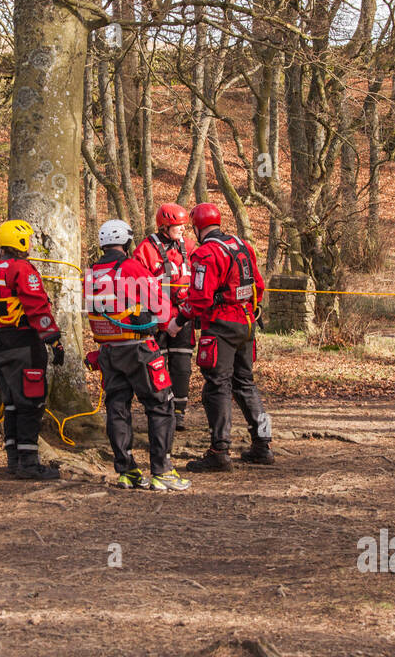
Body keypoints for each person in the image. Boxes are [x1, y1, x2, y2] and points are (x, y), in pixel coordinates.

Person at [166, 202, 273, 471]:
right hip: (247, 323)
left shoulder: (207, 253)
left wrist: (178, 321)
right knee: (246, 384)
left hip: (221, 325)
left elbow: (200, 298)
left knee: (217, 386)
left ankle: (219, 450)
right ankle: (263, 443)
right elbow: (258, 285)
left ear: (197, 227)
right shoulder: (242, 245)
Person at [85, 219, 190, 491]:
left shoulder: (92, 271)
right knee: (161, 405)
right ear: (127, 241)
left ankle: (127, 471)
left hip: (108, 352)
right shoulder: (131, 267)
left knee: (117, 409)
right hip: (139, 349)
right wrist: (166, 321)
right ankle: (162, 471)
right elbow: (160, 306)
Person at [0, 219, 65, 480]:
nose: (30, 243)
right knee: (31, 402)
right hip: (24, 343)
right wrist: (53, 339)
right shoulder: (22, 269)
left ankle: (14, 459)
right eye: (27, 239)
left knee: (11, 405)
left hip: (0, 344)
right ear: (19, 242)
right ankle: (29, 464)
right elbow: (37, 307)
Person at [134, 202, 194, 430]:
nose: (182, 230)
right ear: (164, 226)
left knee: (182, 366)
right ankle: (160, 410)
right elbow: (139, 285)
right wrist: (163, 320)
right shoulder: (145, 250)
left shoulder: (188, 246)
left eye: (183, 226)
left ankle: (179, 413)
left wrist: (181, 319)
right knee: (157, 365)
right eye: (178, 226)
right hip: (157, 319)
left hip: (182, 319)